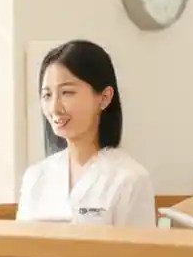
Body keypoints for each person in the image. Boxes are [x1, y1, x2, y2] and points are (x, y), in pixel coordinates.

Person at [16, 39, 155, 226]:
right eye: (47, 95)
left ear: (104, 98)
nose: (55, 108)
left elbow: (139, 254)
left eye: (67, 92)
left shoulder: (130, 179)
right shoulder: (35, 177)